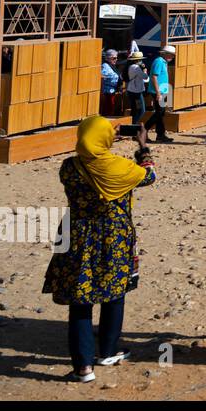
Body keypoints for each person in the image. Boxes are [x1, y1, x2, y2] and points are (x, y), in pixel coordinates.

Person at [42, 117, 155, 382]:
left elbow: (90, 161)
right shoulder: (122, 168)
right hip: (113, 236)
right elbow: (150, 175)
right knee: (115, 291)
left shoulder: (68, 168)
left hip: (78, 235)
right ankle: (108, 350)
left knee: (80, 299)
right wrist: (143, 147)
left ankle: (83, 368)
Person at [144, 46, 175, 144]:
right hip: (158, 92)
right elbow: (154, 77)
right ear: (165, 54)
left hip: (163, 90)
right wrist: (158, 93)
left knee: (161, 113)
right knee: (159, 113)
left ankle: (160, 135)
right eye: (171, 55)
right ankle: (144, 130)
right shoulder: (159, 62)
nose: (172, 57)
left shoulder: (163, 62)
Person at [125, 51, 148, 125]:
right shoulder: (136, 67)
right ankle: (136, 124)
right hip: (137, 92)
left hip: (131, 90)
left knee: (134, 109)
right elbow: (145, 77)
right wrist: (145, 71)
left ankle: (132, 124)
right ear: (138, 60)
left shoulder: (130, 66)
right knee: (141, 110)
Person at [99, 49, 121, 117]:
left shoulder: (112, 66)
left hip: (112, 92)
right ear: (108, 58)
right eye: (114, 58)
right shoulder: (105, 66)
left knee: (110, 110)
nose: (116, 59)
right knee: (107, 111)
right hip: (107, 92)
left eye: (117, 58)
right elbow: (103, 76)